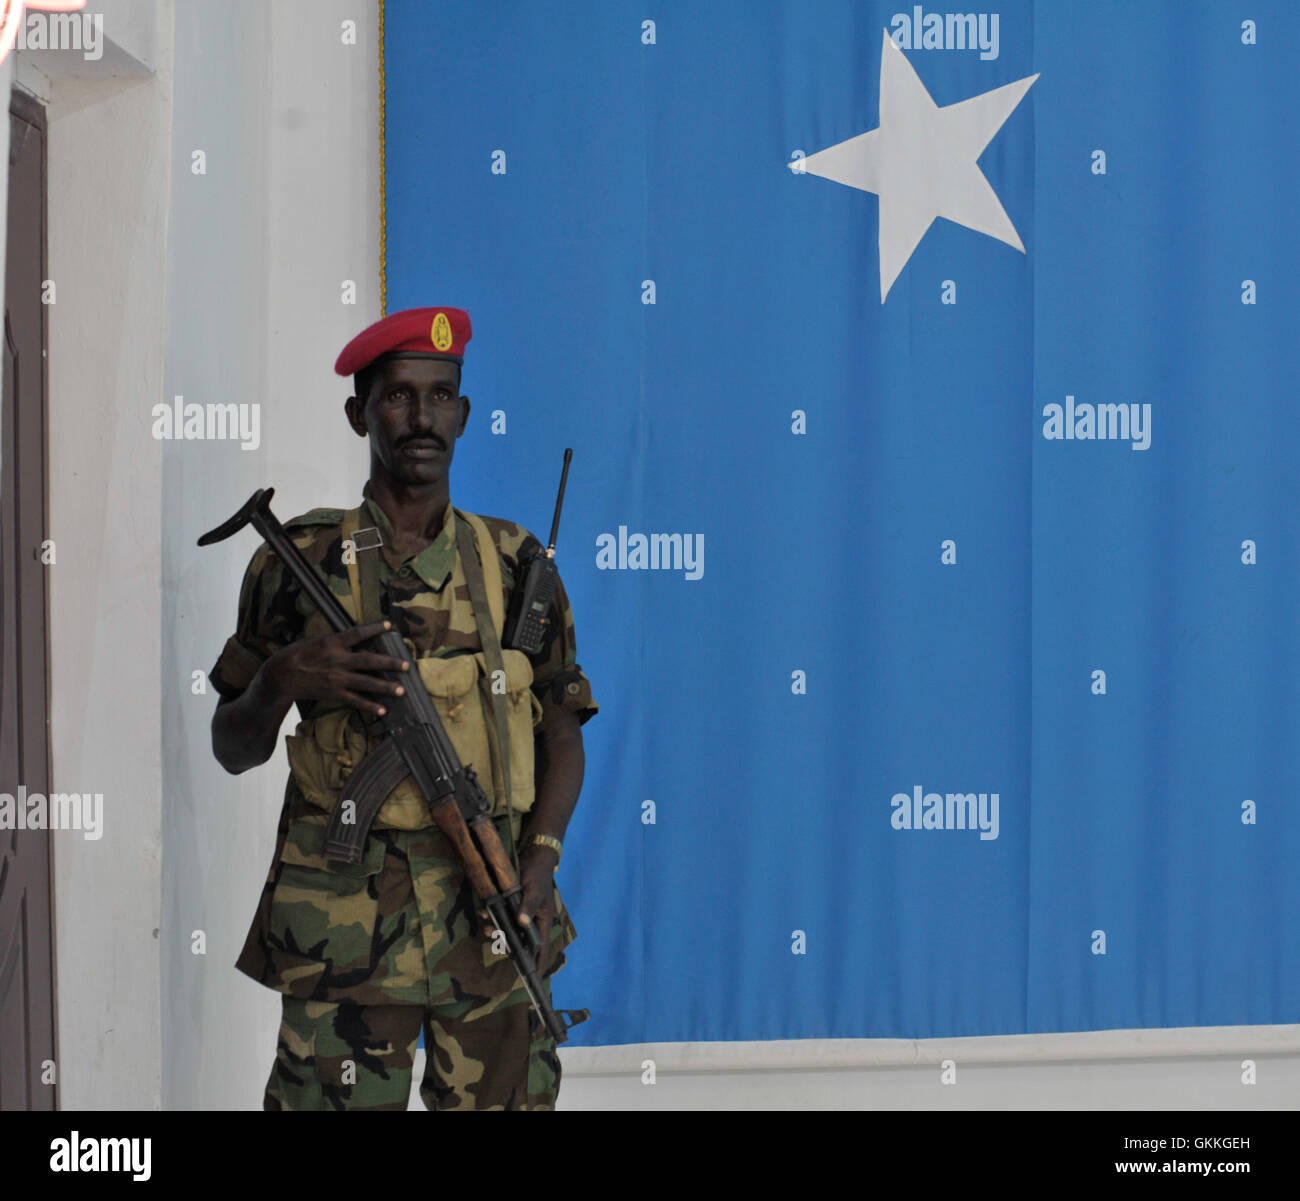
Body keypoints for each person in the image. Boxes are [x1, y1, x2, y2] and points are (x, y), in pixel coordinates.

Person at [207, 306, 598, 1110]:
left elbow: (561, 728)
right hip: (341, 938)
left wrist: (543, 856)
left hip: (491, 923)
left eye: (440, 396)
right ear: (360, 412)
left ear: (464, 410)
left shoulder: (517, 563)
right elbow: (230, 745)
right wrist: (284, 676)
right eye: (397, 397)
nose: (422, 419)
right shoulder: (296, 563)